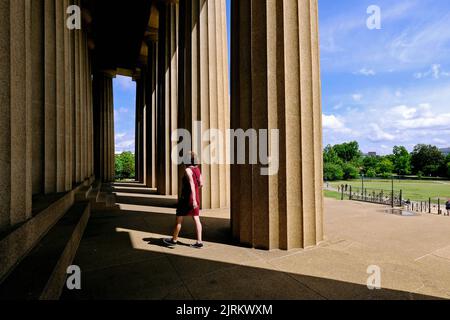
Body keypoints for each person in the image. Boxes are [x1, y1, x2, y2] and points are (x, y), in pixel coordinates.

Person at [164, 152, 204, 249]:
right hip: (195, 198)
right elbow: (201, 184)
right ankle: (199, 242)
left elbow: (191, 186)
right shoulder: (197, 170)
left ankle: (174, 240)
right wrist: (195, 198)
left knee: (179, 220)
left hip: (186, 199)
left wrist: (192, 199)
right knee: (196, 219)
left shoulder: (187, 170)